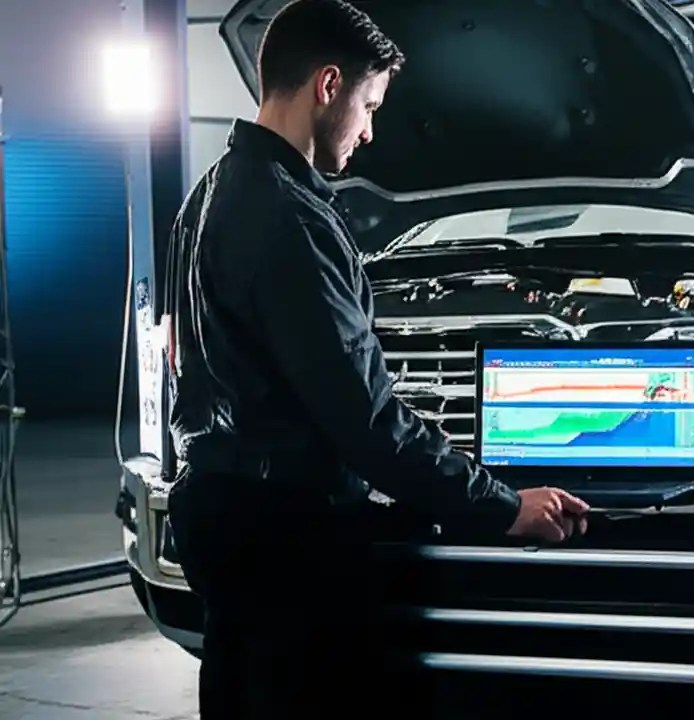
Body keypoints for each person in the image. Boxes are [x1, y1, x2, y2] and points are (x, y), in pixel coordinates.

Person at [162, 1, 590, 717]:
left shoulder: (203, 197)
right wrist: (502, 505)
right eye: (369, 104)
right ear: (328, 85)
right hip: (292, 541)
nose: (369, 130)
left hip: (220, 519)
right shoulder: (290, 218)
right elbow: (363, 418)